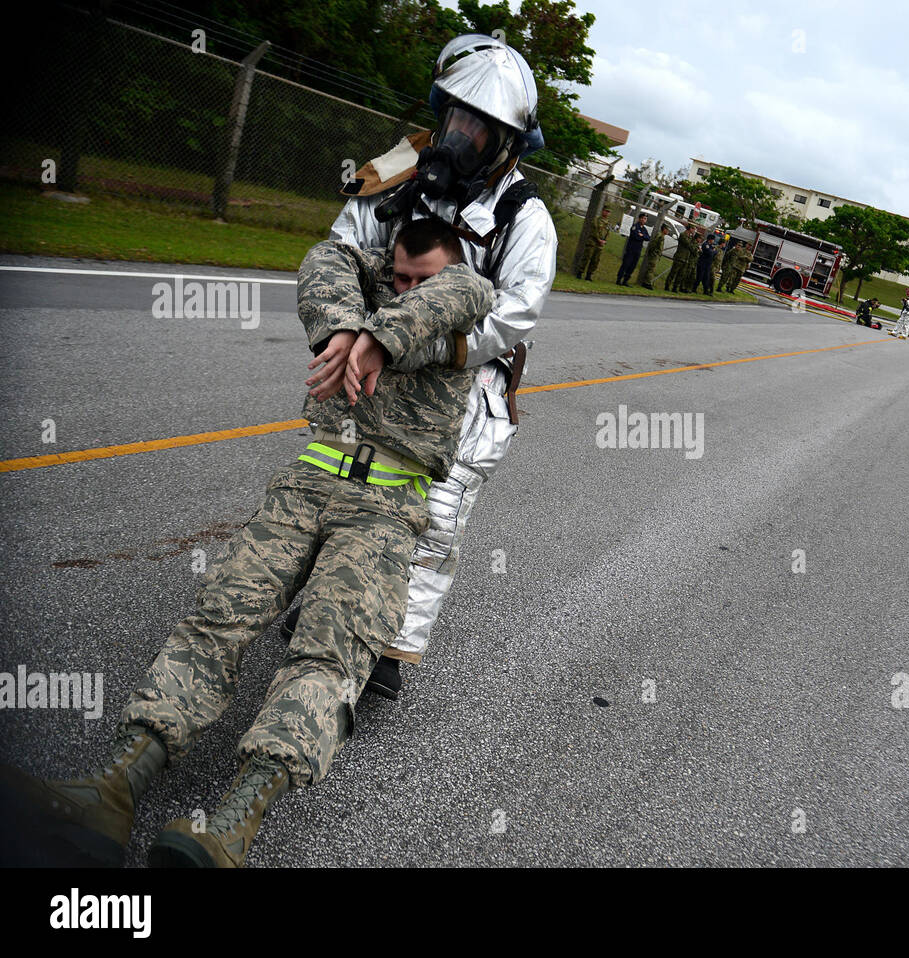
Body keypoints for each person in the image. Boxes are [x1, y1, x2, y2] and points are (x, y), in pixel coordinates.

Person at [0, 220, 494, 868]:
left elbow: (466, 290)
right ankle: (114, 790)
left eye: (417, 280)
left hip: (385, 505)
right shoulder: (367, 287)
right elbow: (326, 257)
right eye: (396, 277)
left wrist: (379, 336)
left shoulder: (459, 311)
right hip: (309, 479)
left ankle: (232, 827)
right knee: (217, 618)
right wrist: (344, 327)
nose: (403, 290)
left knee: (329, 651)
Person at [286, 34, 558, 702]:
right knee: (341, 488)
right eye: (457, 119)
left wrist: (433, 347)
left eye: (481, 130)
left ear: (510, 143)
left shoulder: (527, 218)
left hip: (465, 387)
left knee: (434, 518)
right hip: (372, 366)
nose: (462, 138)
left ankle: (388, 647)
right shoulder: (398, 165)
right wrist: (351, 331)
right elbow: (346, 244)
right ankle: (327, 608)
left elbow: (515, 315)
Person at [616, 213, 651, 285]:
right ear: (640, 218)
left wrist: (642, 235)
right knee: (626, 264)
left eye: (645, 219)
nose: (644, 220)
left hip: (637, 250)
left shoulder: (644, 229)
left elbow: (648, 238)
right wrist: (642, 237)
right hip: (631, 249)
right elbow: (636, 237)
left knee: (632, 266)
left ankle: (625, 280)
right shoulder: (635, 226)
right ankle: (619, 279)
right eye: (643, 218)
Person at [638, 222, 670, 289]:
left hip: (656, 255)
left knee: (652, 269)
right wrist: (653, 253)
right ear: (664, 229)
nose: (668, 231)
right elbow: (653, 244)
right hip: (654, 255)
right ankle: (647, 283)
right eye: (667, 229)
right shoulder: (659, 236)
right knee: (651, 269)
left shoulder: (662, 236)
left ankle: (647, 282)